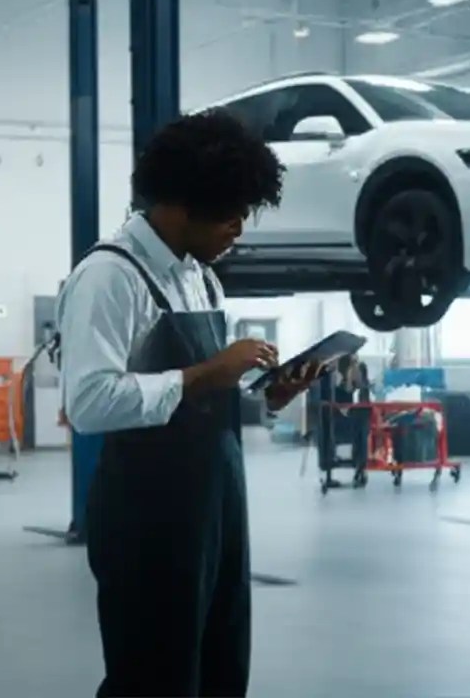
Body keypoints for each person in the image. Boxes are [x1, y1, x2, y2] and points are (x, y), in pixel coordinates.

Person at [57, 109, 320, 697]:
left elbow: (209, 387)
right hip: (146, 512)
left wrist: (269, 393)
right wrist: (205, 373)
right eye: (232, 213)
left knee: (222, 666)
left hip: (217, 500)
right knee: (155, 677)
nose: (239, 229)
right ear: (179, 204)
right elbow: (90, 403)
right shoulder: (109, 277)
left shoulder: (201, 278)